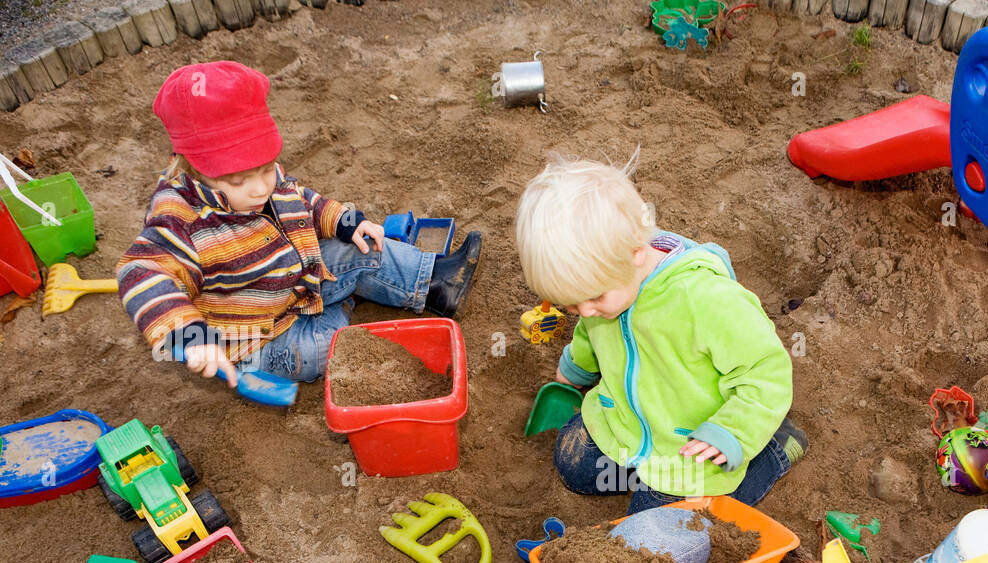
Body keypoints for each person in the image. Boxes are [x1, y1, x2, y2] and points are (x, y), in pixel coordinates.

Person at [117, 60, 481, 388]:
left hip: (300, 276)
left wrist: (341, 220)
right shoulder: (179, 218)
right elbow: (140, 272)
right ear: (193, 167)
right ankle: (342, 308)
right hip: (260, 335)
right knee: (321, 351)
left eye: (265, 168)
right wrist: (190, 337)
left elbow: (301, 198)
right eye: (241, 180)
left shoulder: (264, 180)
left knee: (364, 246)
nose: (262, 186)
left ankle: (436, 282)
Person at [515, 154, 806, 513]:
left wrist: (732, 433)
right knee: (574, 466)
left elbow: (767, 370)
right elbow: (592, 329)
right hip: (626, 421)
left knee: (654, 524)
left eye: (591, 299)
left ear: (637, 253)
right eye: (571, 306)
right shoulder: (606, 289)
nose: (584, 312)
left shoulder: (705, 300)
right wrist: (577, 367)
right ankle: (647, 474)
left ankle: (772, 450)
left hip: (692, 442)